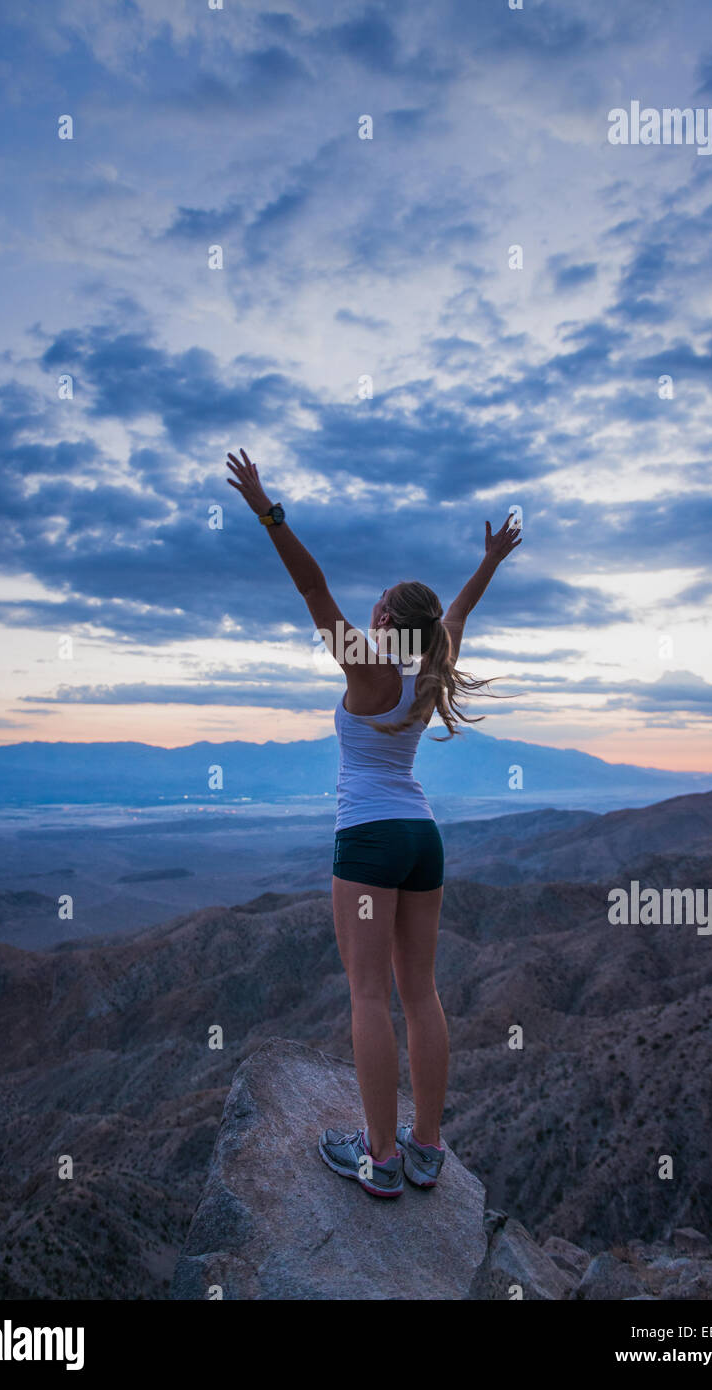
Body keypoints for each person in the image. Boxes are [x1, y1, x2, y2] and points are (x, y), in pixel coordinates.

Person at [226, 448, 522, 1197]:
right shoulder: (430, 665)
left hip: (367, 841)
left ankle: (379, 1159)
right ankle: (426, 1147)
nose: (367, 605)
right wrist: (488, 561)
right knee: (420, 993)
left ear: (384, 618)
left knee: (366, 994)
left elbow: (310, 583)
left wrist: (268, 511)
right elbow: (459, 610)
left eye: (379, 599)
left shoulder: (365, 665)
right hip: (423, 839)